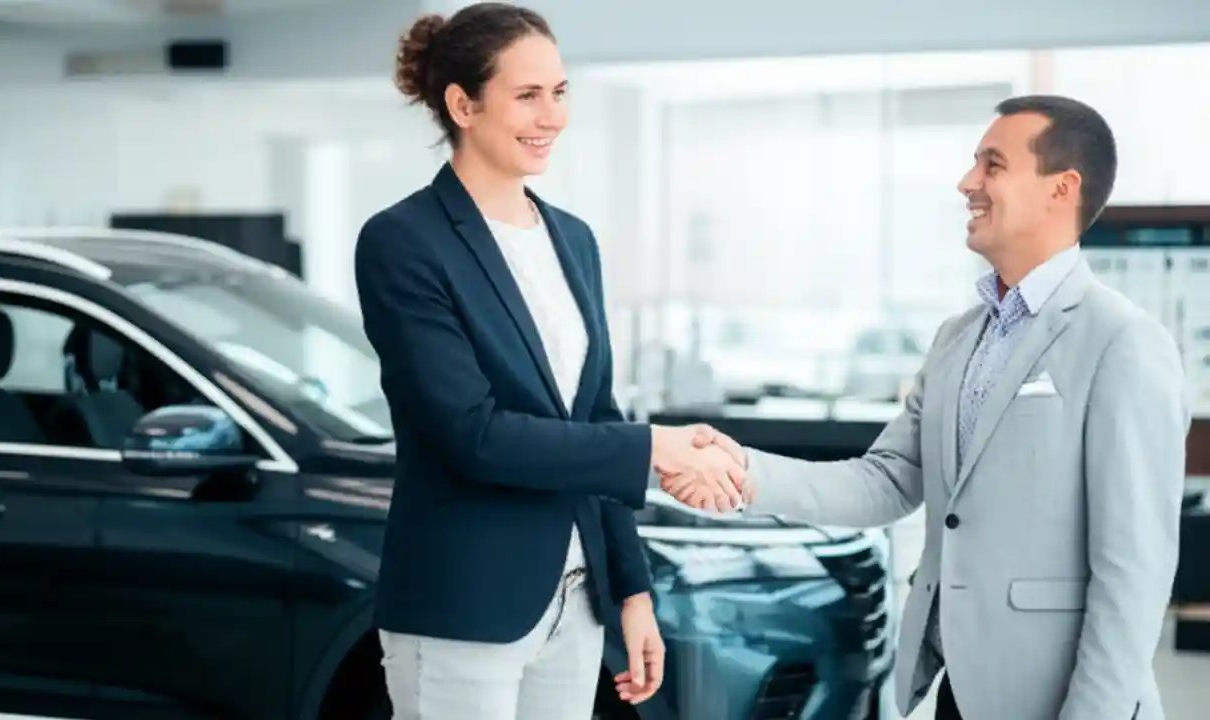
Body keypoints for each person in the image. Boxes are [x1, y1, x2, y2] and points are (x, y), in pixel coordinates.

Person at [667, 95, 1190, 720]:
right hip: (959, 690)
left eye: (993, 165)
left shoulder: (1123, 342)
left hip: (1061, 700)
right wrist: (743, 473)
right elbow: (886, 480)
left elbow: (1133, 572)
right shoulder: (958, 337)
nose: (968, 183)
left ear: (1062, 188)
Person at [353, 4, 746, 719]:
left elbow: (595, 416)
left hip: (575, 601)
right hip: (465, 601)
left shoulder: (573, 239)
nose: (552, 116)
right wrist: (654, 448)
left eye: (560, 92)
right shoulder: (403, 241)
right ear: (463, 105)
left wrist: (632, 591)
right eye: (528, 95)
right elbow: (472, 434)